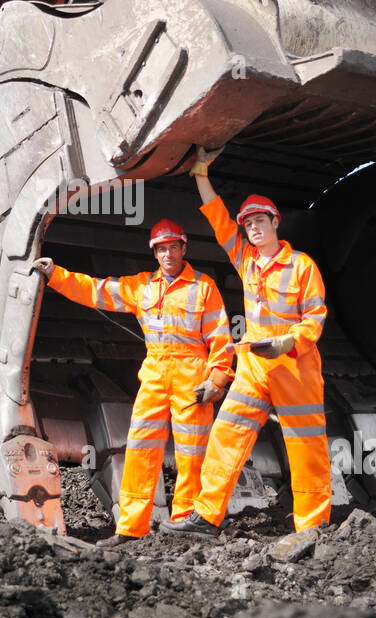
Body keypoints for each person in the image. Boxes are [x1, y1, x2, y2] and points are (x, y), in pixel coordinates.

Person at [33, 219, 234, 547]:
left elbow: (221, 337)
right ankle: (131, 527)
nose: (168, 253)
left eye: (173, 247)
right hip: (155, 374)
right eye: (161, 248)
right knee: (140, 450)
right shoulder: (141, 286)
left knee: (192, 453)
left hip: (192, 376)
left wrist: (217, 377)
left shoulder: (203, 287)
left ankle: (185, 523)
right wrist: (57, 275)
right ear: (154, 253)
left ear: (184, 249)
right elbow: (96, 290)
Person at [168, 145, 331, 536]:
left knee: (306, 447)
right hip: (255, 367)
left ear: (275, 223)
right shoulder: (246, 260)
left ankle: (313, 527)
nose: (253, 228)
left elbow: (315, 320)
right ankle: (206, 515)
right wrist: (202, 175)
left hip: (296, 367)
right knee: (226, 434)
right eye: (249, 224)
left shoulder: (301, 265)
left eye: (260, 221)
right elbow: (219, 221)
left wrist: (287, 343)